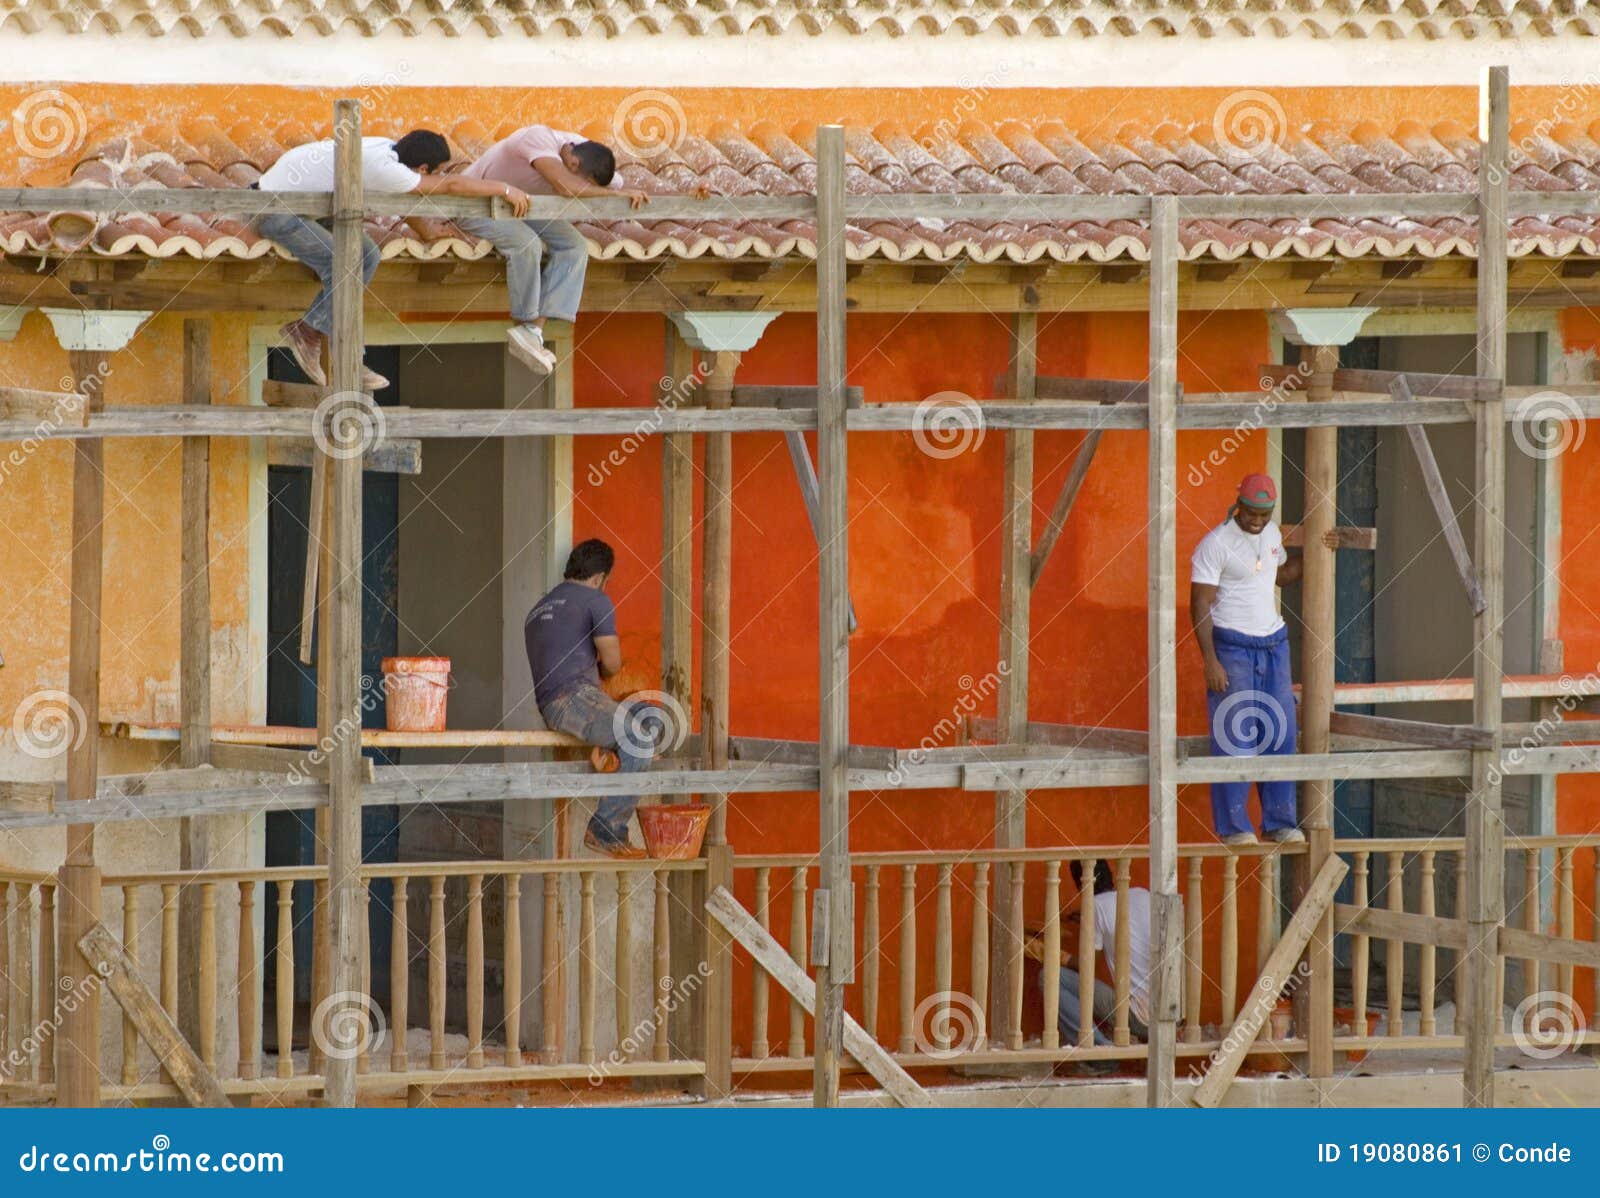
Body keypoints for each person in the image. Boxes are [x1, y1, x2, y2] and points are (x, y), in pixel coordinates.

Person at [254, 129, 532, 390]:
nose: (443, 175)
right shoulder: (387, 169)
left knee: (368, 255)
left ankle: (330, 344)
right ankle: (318, 338)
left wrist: (424, 230)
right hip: (273, 209)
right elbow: (454, 185)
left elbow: (402, 193)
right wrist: (505, 190)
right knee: (345, 263)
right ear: (423, 169)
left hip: (307, 207)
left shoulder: (387, 151)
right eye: (438, 171)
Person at [455, 126, 712, 375]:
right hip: (475, 205)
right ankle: (524, 320)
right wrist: (608, 196)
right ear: (574, 164)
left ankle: (532, 332)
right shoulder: (538, 139)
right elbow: (567, 187)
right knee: (527, 243)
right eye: (586, 186)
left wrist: (685, 194)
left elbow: (636, 191)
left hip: (524, 209)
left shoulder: (590, 162)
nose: (588, 192)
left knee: (575, 246)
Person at [1190, 472, 1335, 846]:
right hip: (1232, 645)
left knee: (1281, 731)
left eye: (1264, 514)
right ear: (1239, 504)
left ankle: (1278, 823)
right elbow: (1200, 604)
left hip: (1274, 643)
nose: (1257, 520)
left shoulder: (1271, 535)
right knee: (1234, 732)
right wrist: (1210, 660)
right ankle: (1234, 827)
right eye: (1251, 513)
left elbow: (1281, 576)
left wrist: (1320, 548)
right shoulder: (1215, 544)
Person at [525, 538, 654, 859]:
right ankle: (606, 829)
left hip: (557, 703)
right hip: (573, 699)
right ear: (600, 577)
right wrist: (609, 669)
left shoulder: (538, 608)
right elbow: (611, 663)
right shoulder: (595, 599)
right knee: (639, 739)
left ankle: (612, 754)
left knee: (644, 715)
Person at [1037, 860, 1150, 1066]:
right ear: (1111, 875)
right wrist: (1089, 920)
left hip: (1140, 1018)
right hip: (1171, 1015)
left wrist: (1054, 954)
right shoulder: (1142, 894)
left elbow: (1085, 965)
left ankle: (1099, 1053)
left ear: (1081, 886)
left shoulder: (1096, 907)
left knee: (1049, 977)